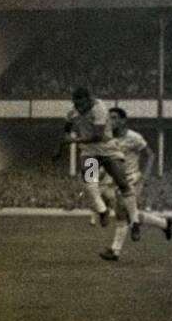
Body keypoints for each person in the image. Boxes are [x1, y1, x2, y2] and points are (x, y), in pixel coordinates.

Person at [60, 87, 140, 236]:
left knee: (122, 182)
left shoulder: (99, 109)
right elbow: (67, 126)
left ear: (89, 100)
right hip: (90, 151)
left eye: (81, 104)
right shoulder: (72, 111)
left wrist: (73, 140)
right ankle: (102, 210)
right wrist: (64, 139)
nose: (78, 108)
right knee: (89, 176)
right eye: (76, 104)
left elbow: (97, 136)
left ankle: (135, 221)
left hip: (107, 148)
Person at [98, 107, 171, 261]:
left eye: (115, 118)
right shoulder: (108, 138)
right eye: (109, 118)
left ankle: (115, 251)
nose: (112, 121)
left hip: (132, 178)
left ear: (123, 120)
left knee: (122, 210)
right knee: (128, 213)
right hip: (116, 179)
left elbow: (150, 155)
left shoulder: (134, 137)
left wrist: (145, 176)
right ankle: (164, 224)